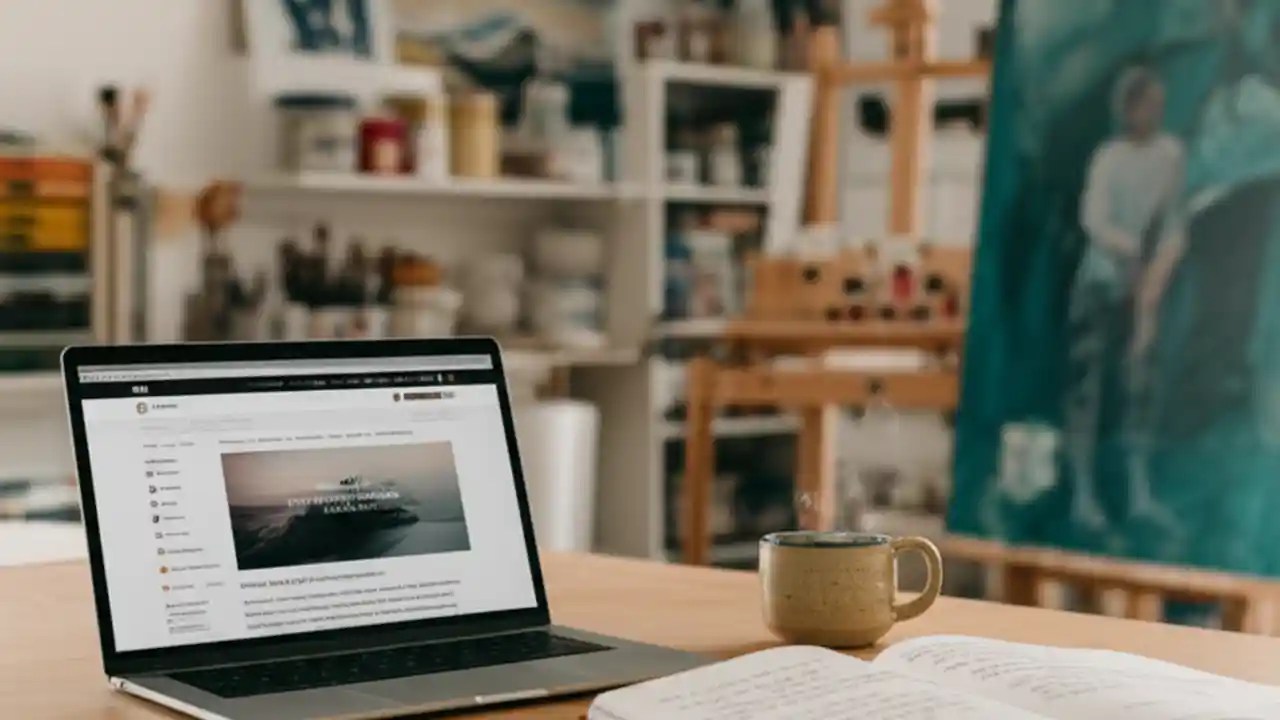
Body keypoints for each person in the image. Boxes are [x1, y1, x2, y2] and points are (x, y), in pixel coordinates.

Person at [1066, 66, 1185, 532]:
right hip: (1100, 284)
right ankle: (1083, 495)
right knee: (1088, 390)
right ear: (1127, 107)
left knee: (1138, 391)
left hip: (1145, 289)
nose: (1151, 113)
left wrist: (1156, 273)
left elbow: (1174, 222)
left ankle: (1138, 494)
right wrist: (1129, 252)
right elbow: (1093, 218)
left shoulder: (1171, 155)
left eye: (1157, 103)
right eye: (1143, 104)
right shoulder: (1108, 157)